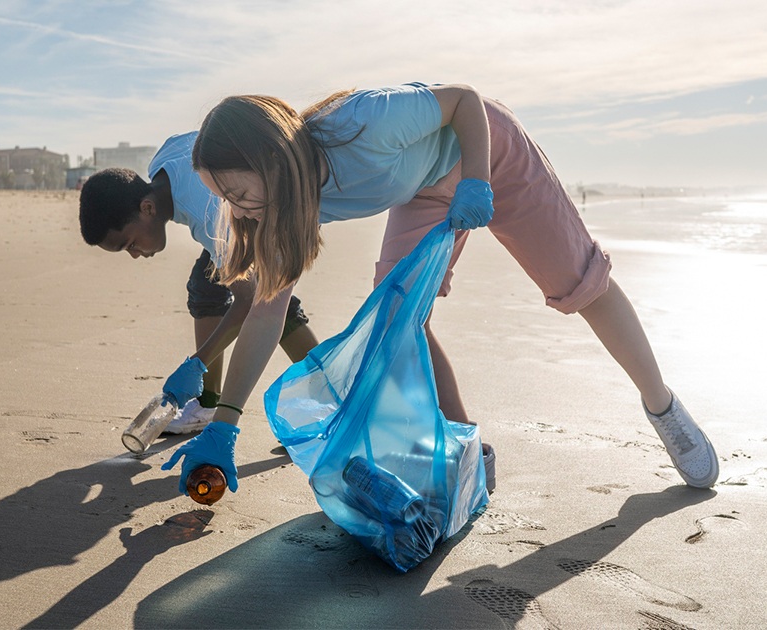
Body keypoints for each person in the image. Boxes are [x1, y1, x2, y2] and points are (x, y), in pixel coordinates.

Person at [159, 83, 719, 498]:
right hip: (423, 191)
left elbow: (464, 101)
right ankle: (467, 449)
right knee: (399, 316)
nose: (236, 211)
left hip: (488, 155)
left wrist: (477, 179)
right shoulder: (284, 204)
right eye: (224, 199)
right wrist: (225, 426)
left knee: (580, 285)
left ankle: (662, 406)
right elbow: (265, 315)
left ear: (270, 160)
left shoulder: (360, 123)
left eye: (237, 193)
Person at [78, 132, 319, 435]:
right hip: (239, 209)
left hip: (284, 201)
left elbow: (249, 301)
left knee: (272, 299)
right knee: (207, 284)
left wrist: (197, 363)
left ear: (148, 209)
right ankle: (206, 405)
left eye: (131, 244)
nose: (136, 255)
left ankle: (334, 399)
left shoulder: (205, 214)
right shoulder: (162, 164)